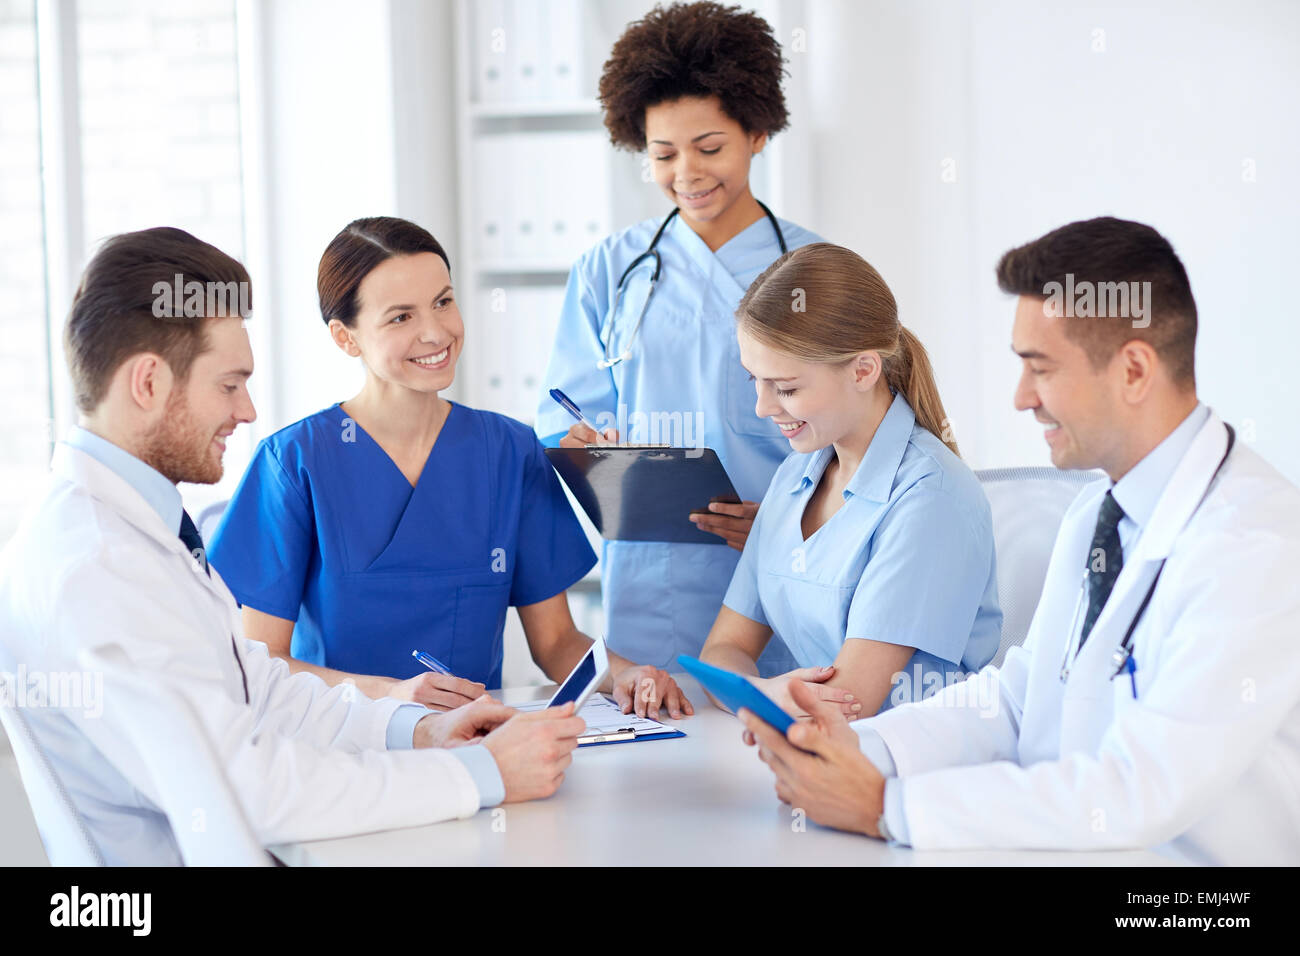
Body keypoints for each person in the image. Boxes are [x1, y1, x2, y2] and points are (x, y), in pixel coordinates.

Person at [0, 227, 585, 866]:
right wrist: (478, 775)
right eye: (228, 384)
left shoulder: (132, 532)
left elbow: (260, 689)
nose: (248, 410)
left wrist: (419, 730)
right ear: (147, 383)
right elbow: (243, 785)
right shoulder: (98, 564)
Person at [738, 217, 1300, 865]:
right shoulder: (1099, 511)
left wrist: (886, 807)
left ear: (1135, 370)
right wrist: (860, 748)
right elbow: (1016, 698)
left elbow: (1142, 790)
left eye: (1040, 368)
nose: (1020, 398)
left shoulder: (1255, 545)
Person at [208, 217, 690, 718]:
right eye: (401, 317)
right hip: (341, 751)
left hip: (477, 749)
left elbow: (557, 644)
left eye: (443, 301)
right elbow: (261, 663)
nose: (436, 332)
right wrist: (390, 696)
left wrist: (628, 673)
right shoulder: (295, 461)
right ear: (345, 337)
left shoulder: (509, 450)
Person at [537, 1, 831, 690]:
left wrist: (796, 519)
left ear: (757, 133)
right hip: (653, 584)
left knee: (779, 751)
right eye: (663, 154)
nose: (687, 174)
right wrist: (583, 440)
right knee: (659, 767)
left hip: (786, 568)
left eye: (710, 148)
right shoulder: (609, 271)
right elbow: (561, 412)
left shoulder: (816, 270)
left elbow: (865, 432)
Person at [698, 244, 1001, 717]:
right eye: (754, 380)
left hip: (907, 771)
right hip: (813, 754)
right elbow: (721, 652)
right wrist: (765, 696)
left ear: (863, 370)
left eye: (787, 388)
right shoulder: (795, 476)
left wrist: (758, 696)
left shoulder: (931, 496)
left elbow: (847, 703)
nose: (763, 407)